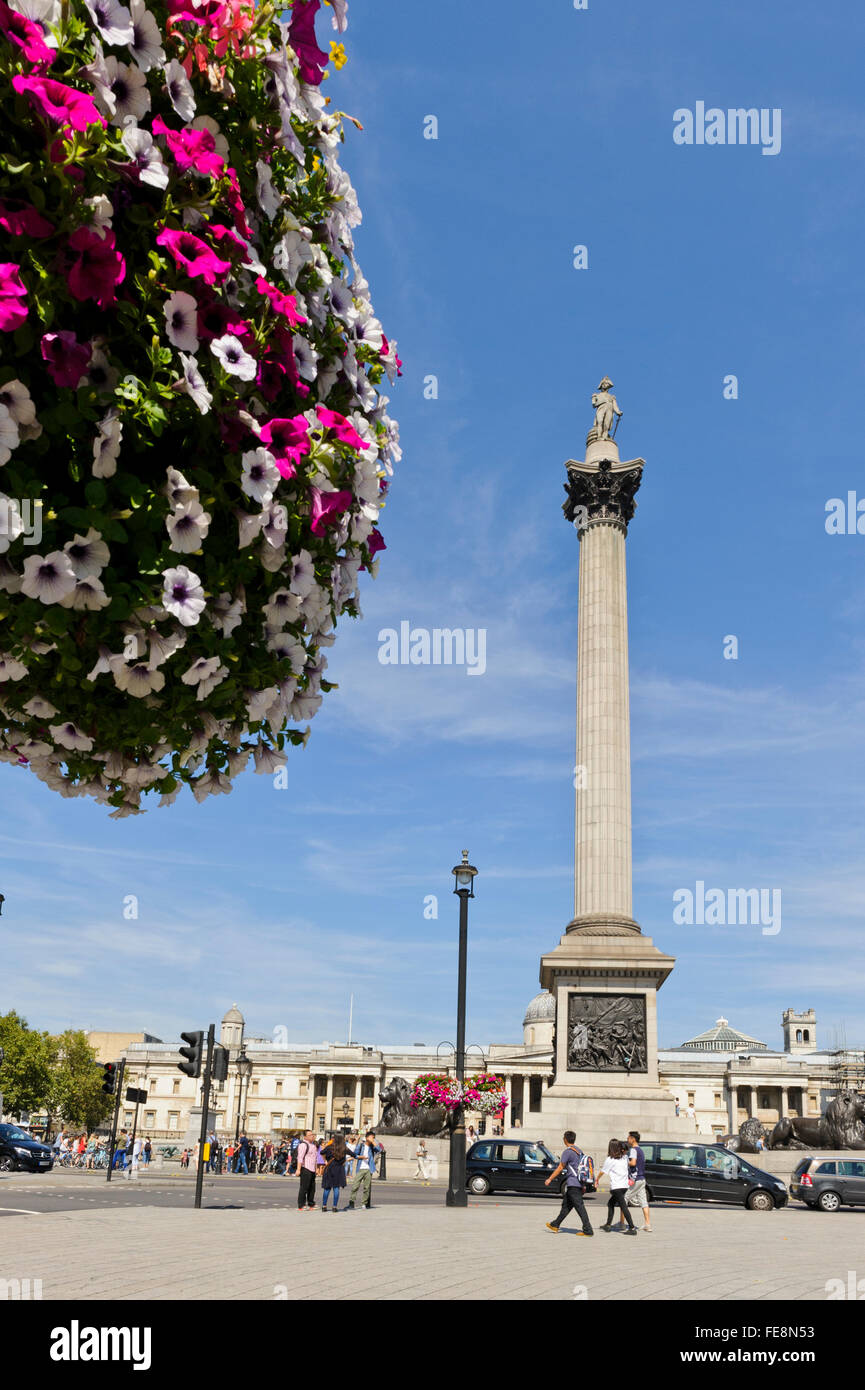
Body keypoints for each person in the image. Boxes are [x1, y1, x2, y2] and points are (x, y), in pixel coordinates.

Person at [544, 1131, 594, 1237]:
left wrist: (550, 1179)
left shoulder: (568, 1152)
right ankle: (555, 1224)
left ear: (565, 1139)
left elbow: (560, 1167)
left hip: (573, 1183)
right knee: (566, 1206)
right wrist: (584, 1185)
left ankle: (588, 1230)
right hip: (579, 1183)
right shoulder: (579, 1151)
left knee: (580, 1207)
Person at [600, 1140, 637, 1234]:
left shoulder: (610, 1159)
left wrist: (596, 1180)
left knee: (623, 1206)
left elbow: (603, 1171)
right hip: (624, 1186)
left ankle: (632, 1228)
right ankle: (608, 1225)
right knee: (611, 1203)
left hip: (617, 1187)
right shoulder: (624, 1157)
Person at [623, 1129, 652, 1233]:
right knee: (643, 1202)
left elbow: (633, 1163)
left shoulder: (634, 1150)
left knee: (624, 1199)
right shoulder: (640, 1150)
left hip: (635, 1179)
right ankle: (647, 1224)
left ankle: (622, 1223)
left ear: (633, 1139)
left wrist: (625, 1161)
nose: (627, 1139)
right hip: (642, 1179)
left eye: (628, 1138)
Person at [347, 1130, 384, 1210]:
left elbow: (380, 1150)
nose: (372, 1139)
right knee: (355, 1186)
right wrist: (361, 1157)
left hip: (368, 1169)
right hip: (360, 1169)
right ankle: (351, 1203)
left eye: (374, 1138)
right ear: (367, 1137)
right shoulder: (361, 1146)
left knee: (367, 1188)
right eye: (371, 1137)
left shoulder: (372, 1147)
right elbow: (355, 1154)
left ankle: (364, 1203)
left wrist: (373, 1142)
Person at [321, 1133, 351, 1211]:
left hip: (330, 1168)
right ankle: (334, 1207)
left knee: (327, 1188)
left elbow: (322, 1152)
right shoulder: (344, 1148)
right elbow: (353, 1154)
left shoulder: (329, 1147)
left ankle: (324, 1206)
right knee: (336, 1188)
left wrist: (326, 1160)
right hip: (339, 1169)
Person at [295, 1130, 318, 1210]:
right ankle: (301, 1205)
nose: (312, 1136)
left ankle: (311, 1203)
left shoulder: (313, 1145)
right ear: (305, 1137)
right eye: (310, 1135)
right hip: (305, 1168)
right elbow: (300, 1158)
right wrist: (298, 1169)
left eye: (313, 1134)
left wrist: (316, 1169)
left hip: (312, 1169)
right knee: (304, 1187)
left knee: (312, 1188)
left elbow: (315, 1158)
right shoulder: (303, 1145)